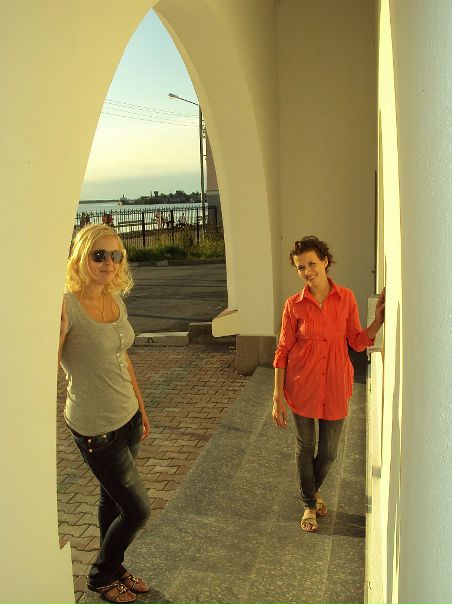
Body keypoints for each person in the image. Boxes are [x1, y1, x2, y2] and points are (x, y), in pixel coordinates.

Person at [59, 224, 151, 602]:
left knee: (110, 500)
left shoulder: (115, 300)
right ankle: (100, 576)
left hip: (127, 417)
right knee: (137, 510)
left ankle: (114, 567)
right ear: (81, 257)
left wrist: (141, 407)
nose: (109, 263)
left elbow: (122, 358)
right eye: (99, 255)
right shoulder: (66, 306)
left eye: (116, 255)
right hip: (96, 428)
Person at [272, 236, 384, 533]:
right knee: (305, 446)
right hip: (301, 384)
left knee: (330, 451)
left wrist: (378, 321)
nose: (307, 271)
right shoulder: (293, 305)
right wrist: (277, 396)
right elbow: (283, 350)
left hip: (335, 383)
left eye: (311, 264)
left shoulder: (345, 298)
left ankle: (312, 490)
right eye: (300, 267)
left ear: (325, 261)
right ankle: (309, 504)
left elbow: (356, 341)